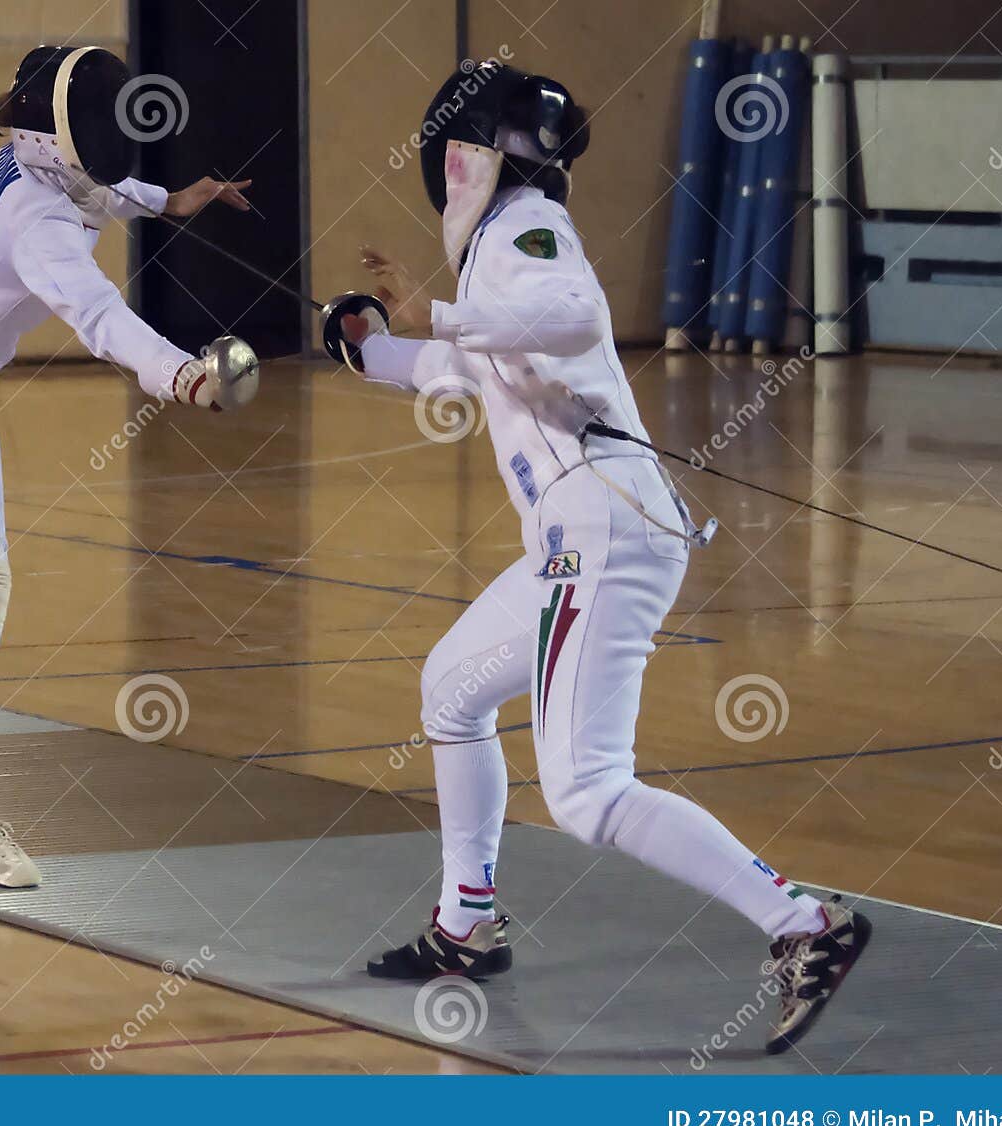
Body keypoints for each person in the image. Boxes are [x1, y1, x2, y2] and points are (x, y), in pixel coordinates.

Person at [328, 60, 869, 1054]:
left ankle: (806, 926)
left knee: (583, 789)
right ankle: (466, 925)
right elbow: (480, 365)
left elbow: (571, 313)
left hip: (604, 532)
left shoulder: (523, 231)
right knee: (449, 688)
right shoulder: (498, 250)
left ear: (467, 154)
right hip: (578, 534)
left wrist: (433, 314)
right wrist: (373, 351)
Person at [0, 45, 257, 889]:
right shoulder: (38, 221)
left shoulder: (31, 156)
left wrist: (178, 199)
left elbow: (101, 186)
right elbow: (100, 315)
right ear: (58, 135)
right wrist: (182, 373)